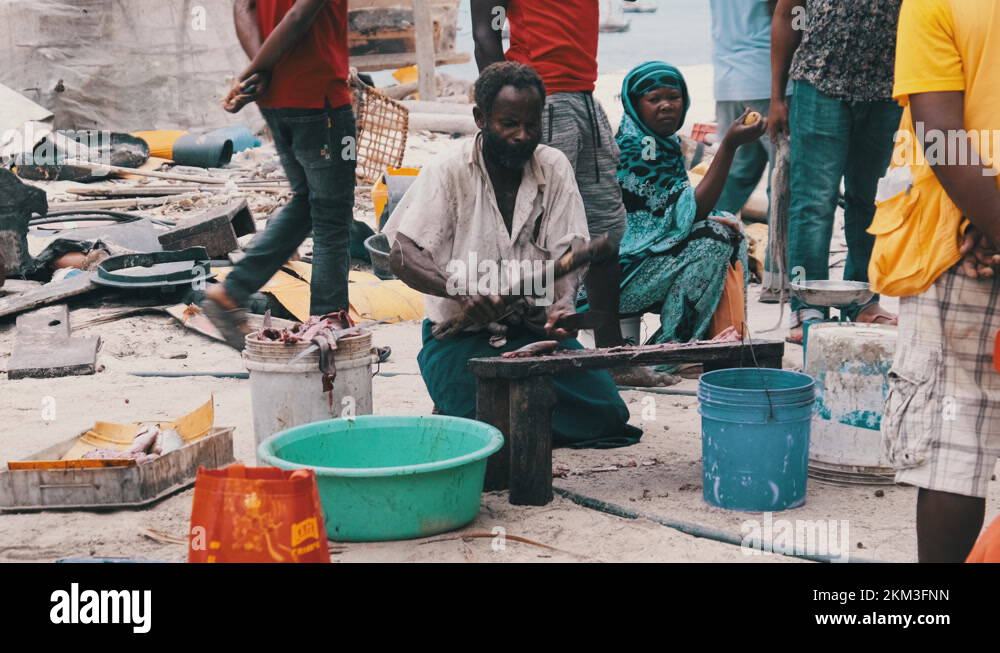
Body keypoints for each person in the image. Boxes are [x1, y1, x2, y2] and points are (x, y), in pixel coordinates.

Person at [384, 62, 641, 449]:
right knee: (484, 433)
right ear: (480, 119)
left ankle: (523, 417)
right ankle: (484, 409)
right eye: (509, 124)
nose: (523, 136)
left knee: (608, 417)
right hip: (460, 338)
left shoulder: (553, 167)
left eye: (532, 124)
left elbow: (570, 253)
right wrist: (460, 292)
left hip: (533, 331)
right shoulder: (448, 170)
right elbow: (402, 254)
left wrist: (563, 304)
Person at [874, 0, 1000, 563]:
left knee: (958, 443)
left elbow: (942, 133)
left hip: (965, 242)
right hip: (975, 234)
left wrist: (991, 221)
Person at [471, 0, 627, 350]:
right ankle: (532, 342)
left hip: (585, 97)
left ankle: (612, 351)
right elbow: (485, 34)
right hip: (540, 102)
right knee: (535, 229)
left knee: (605, 229)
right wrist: (505, 108)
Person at [203, 0, 356, 348]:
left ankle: (231, 293)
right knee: (332, 218)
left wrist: (261, 71)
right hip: (320, 99)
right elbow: (301, 14)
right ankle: (327, 326)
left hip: (275, 98)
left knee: (308, 202)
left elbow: (244, 7)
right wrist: (255, 71)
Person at [771, 0, 903, 343]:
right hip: (819, 84)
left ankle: (863, 301)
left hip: (888, 89)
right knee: (814, 200)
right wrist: (776, 97)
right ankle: (807, 307)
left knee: (871, 199)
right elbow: (788, 15)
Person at [615, 62, 763, 344]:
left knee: (730, 232)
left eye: (673, 97)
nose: (666, 106)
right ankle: (671, 349)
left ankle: (715, 335)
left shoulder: (662, 145)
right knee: (713, 240)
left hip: (642, 266)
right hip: (617, 280)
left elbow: (672, 212)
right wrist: (729, 145)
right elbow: (691, 211)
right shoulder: (636, 151)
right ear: (634, 105)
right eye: (654, 99)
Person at [709, 0, 785, 302]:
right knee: (783, 181)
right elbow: (785, 12)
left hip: (728, 78)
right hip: (766, 78)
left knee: (735, 174)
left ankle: (707, 259)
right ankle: (779, 277)